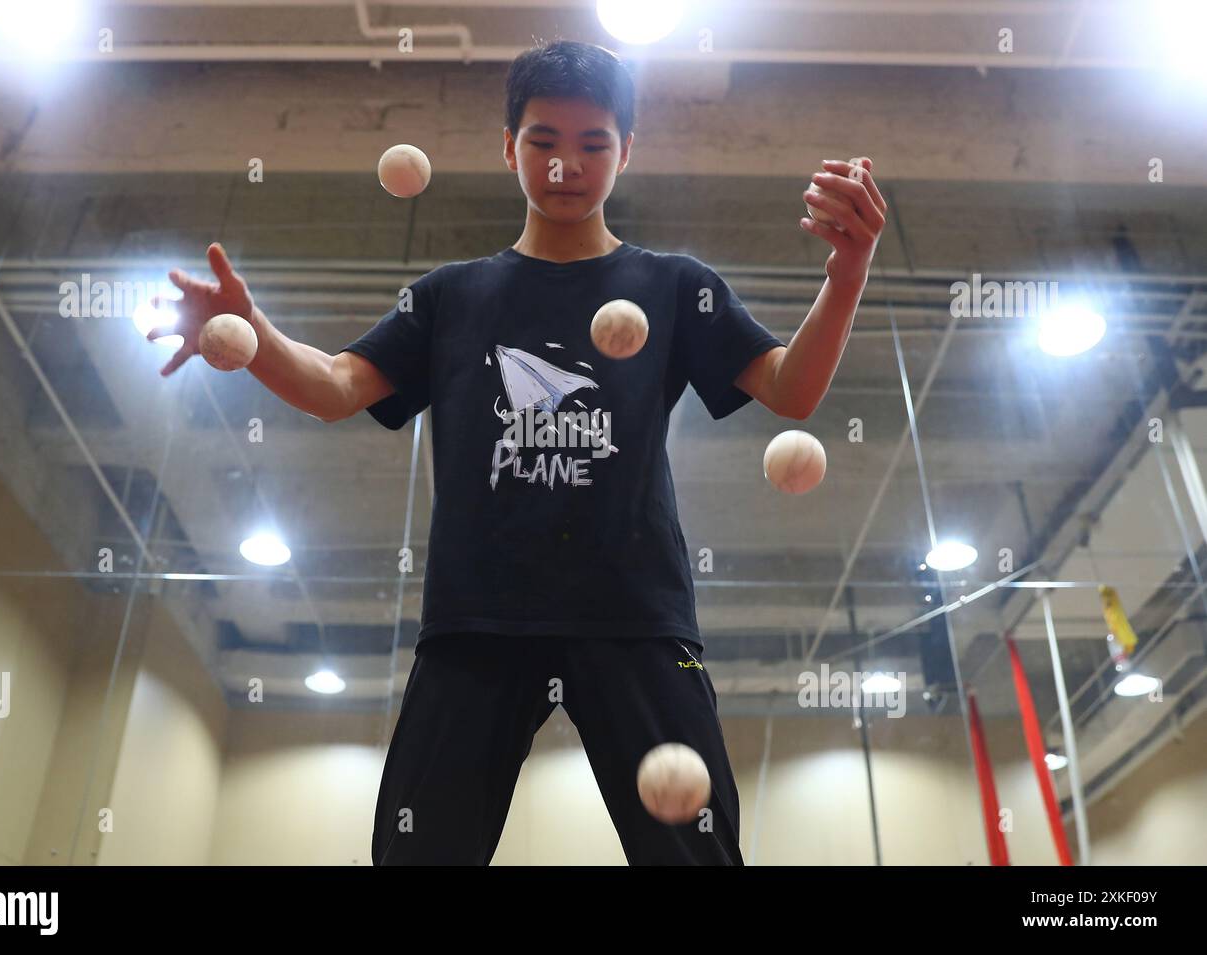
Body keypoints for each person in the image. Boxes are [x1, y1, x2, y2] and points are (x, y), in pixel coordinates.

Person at [151, 40, 886, 865]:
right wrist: (252, 337)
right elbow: (333, 386)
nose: (566, 165)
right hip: (477, 620)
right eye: (542, 142)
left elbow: (791, 388)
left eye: (592, 144)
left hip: (633, 616)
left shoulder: (677, 285)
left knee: (697, 859)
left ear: (626, 151)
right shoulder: (450, 296)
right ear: (509, 147)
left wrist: (847, 271)